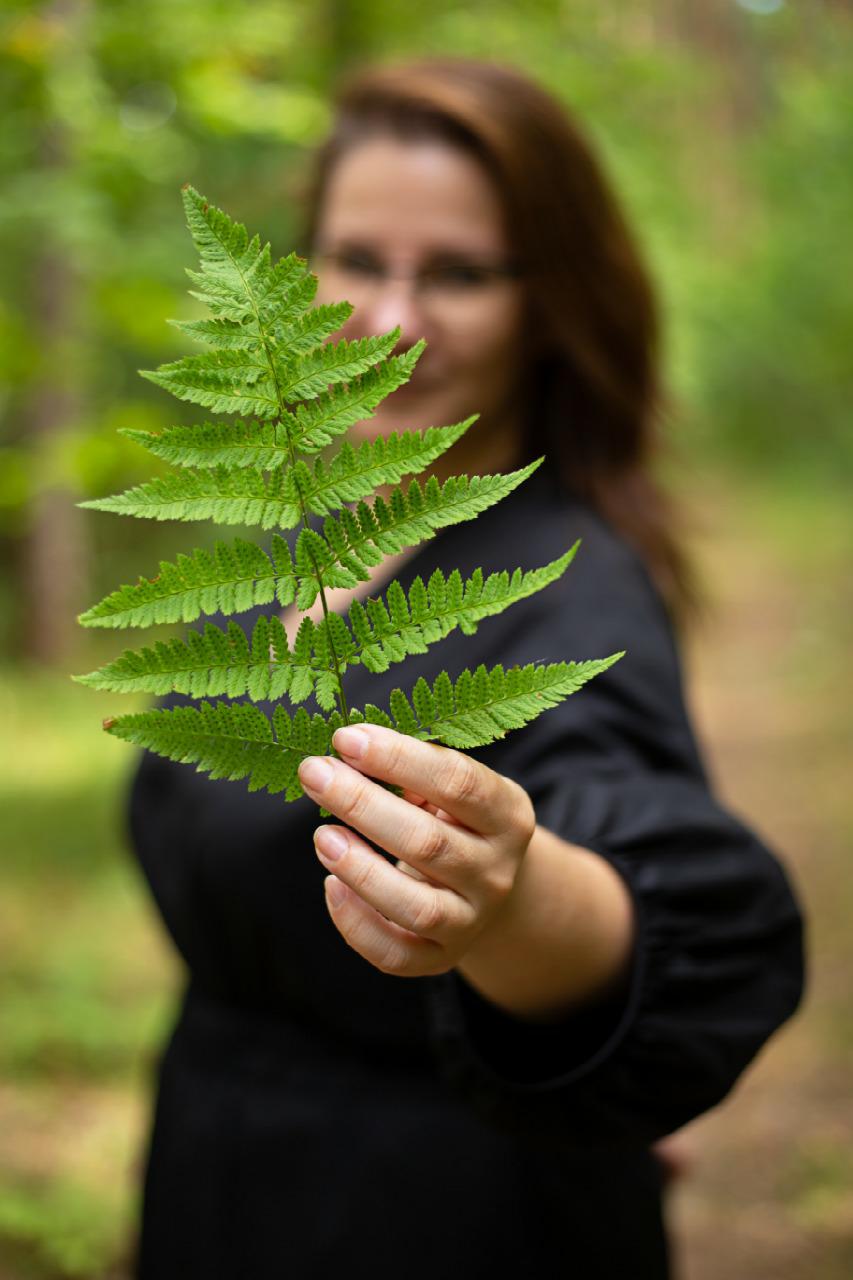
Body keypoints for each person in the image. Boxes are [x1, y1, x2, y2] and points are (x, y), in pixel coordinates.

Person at [127, 56, 805, 1278]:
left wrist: (522, 905)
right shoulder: (295, 553)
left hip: (449, 1218)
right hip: (216, 1176)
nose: (391, 323)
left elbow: (646, 869)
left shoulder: (570, 580)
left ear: (551, 297)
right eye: (357, 259)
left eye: (458, 272)